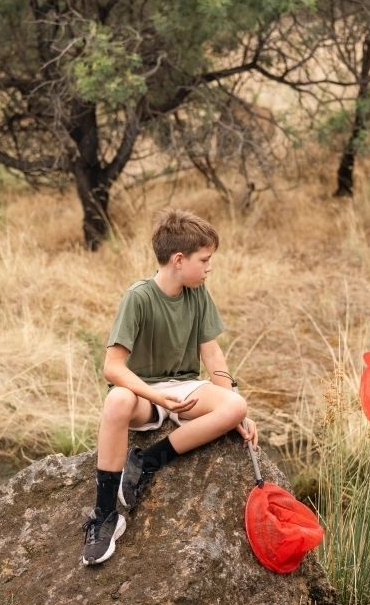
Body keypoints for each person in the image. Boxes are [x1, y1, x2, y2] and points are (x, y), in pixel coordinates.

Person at [81, 207, 258, 566]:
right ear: (179, 259)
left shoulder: (198, 292)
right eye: (204, 260)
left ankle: (147, 460)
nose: (209, 268)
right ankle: (105, 517)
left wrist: (233, 400)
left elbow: (212, 353)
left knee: (235, 408)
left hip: (185, 388)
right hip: (144, 392)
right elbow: (112, 368)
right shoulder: (139, 297)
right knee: (116, 402)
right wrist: (154, 395)